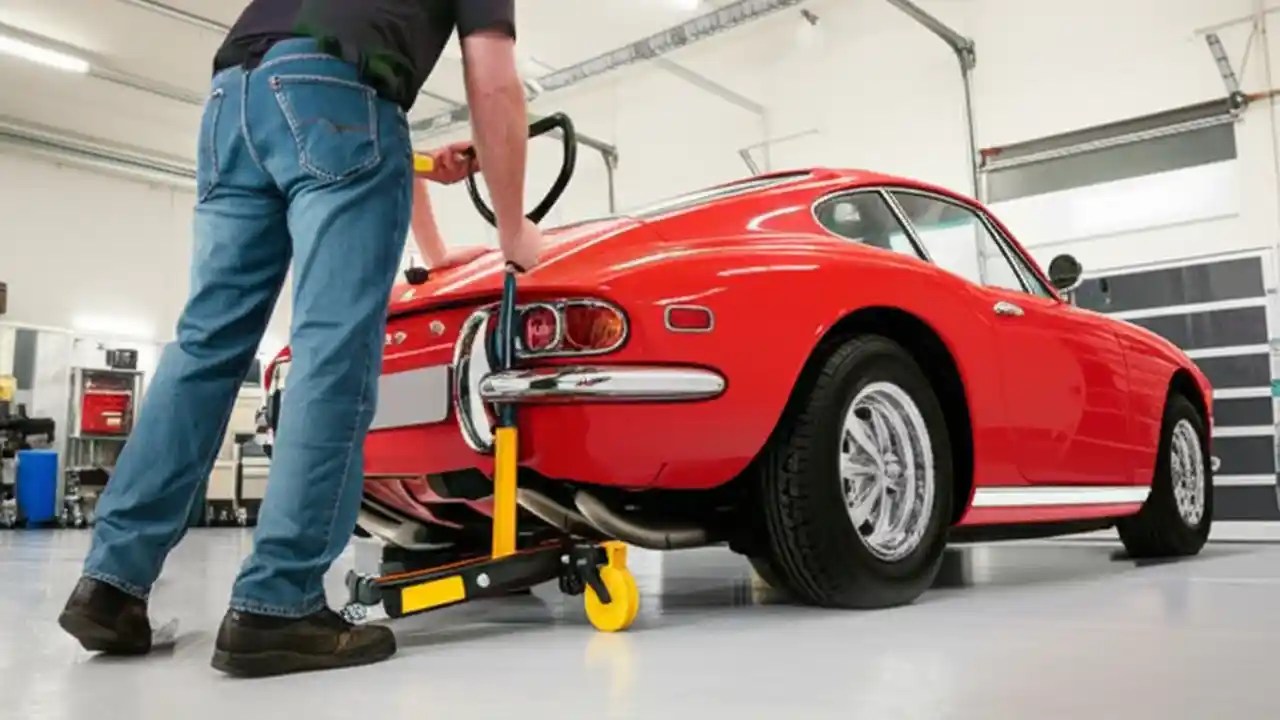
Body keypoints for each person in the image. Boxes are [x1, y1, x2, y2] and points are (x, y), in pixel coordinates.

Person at [57, 0, 540, 678]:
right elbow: (489, 82)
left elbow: (332, 105)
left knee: (204, 348)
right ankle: (277, 605)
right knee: (330, 351)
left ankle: (110, 584)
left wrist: (431, 241)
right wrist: (514, 230)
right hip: (333, 94)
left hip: (234, 101)